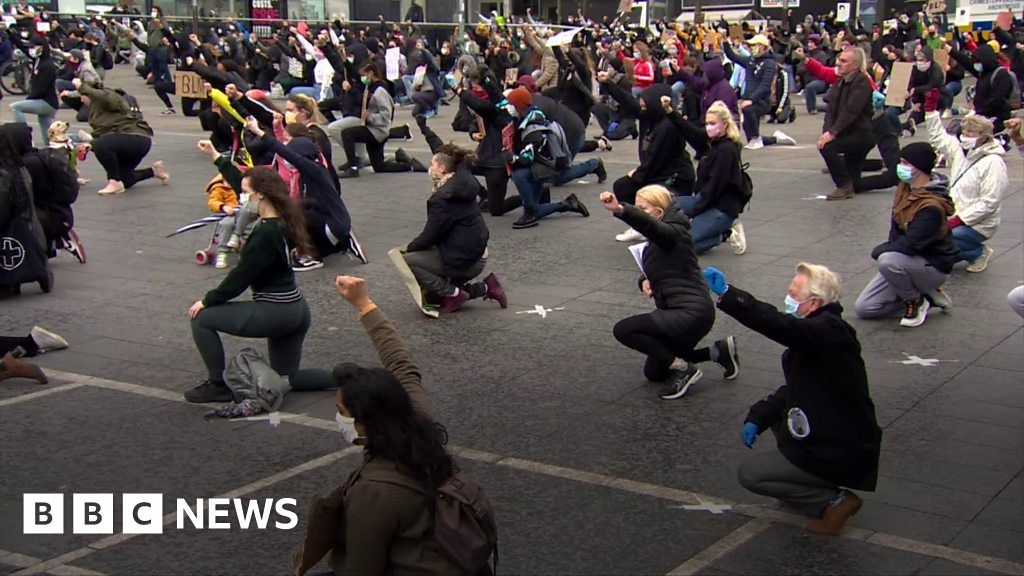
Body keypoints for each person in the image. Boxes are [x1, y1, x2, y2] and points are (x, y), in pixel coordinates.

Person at [294, 275, 485, 574]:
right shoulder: (419, 427)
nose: (338, 418)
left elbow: (361, 569)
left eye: (341, 411)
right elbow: (402, 365)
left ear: (366, 424)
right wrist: (363, 304)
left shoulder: (374, 493)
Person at [702, 263, 881, 536]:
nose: (788, 298)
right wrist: (759, 415)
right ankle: (804, 486)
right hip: (830, 432)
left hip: (839, 446)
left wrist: (728, 293)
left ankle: (833, 501)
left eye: (793, 294)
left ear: (814, 303)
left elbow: (777, 324)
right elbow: (798, 387)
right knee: (777, 419)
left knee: (751, 474)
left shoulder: (827, 332)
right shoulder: (824, 330)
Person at [185, 167, 335, 403]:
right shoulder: (285, 221)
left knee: (201, 319)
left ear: (261, 195)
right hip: (296, 309)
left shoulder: (265, 233)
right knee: (286, 377)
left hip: (274, 311)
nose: (243, 199)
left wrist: (206, 301)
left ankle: (217, 385)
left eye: (246, 193)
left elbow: (240, 278)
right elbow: (246, 181)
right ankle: (349, 379)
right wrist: (217, 158)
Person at [600, 186, 739, 400]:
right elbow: (665, 266)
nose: (639, 212)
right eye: (637, 207)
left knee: (625, 330)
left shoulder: (675, 233)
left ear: (659, 212)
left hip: (689, 312)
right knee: (655, 373)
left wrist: (621, 209)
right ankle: (717, 351)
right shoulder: (665, 237)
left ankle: (685, 369)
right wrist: (644, 281)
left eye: (643, 208)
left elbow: (655, 230)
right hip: (685, 310)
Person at [854, 142, 959, 327]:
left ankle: (914, 300)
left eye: (905, 162)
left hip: (932, 264)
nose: (900, 167)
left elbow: (911, 244)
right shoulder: (905, 188)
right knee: (865, 308)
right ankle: (925, 295)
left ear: (918, 167)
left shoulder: (931, 206)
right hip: (905, 261)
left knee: (887, 260)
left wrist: (881, 250)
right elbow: (896, 231)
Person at [403, 144, 507, 314]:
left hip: (464, 257)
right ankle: (486, 287)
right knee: (436, 296)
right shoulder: (460, 183)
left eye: (433, 165)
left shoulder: (443, 198)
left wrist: (409, 249)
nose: (430, 168)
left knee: (408, 261)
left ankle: (453, 294)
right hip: (476, 252)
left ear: (442, 169)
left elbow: (431, 235)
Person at [922, 103, 1007, 273]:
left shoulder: (993, 162)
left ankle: (978, 253)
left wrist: (960, 219)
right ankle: (955, 252)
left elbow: (989, 202)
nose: (966, 135)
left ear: (984, 136)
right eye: (965, 131)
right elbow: (938, 137)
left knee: (947, 235)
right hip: (956, 211)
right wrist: (931, 112)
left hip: (980, 222)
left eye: (972, 132)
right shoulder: (960, 150)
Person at [612, 85, 699, 241]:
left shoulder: (668, 127)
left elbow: (655, 160)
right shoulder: (651, 117)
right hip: (659, 171)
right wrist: (608, 83)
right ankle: (640, 224)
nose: (642, 109)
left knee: (633, 187)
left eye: (645, 106)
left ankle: (648, 225)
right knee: (623, 186)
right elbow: (630, 104)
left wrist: (638, 174)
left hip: (675, 178)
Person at [504, 87, 589, 229]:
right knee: (535, 209)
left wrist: (511, 158)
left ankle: (530, 213)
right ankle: (567, 204)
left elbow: (527, 158)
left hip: (545, 165)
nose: (508, 108)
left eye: (511, 104)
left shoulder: (533, 125)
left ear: (518, 105)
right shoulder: (529, 114)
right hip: (542, 163)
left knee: (518, 175)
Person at [675, 101, 749, 255]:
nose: (708, 127)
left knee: (684, 247)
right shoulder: (713, 143)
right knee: (665, 205)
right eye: (707, 123)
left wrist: (696, 210)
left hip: (721, 206)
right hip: (705, 198)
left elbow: (716, 187)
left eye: (712, 123)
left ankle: (724, 234)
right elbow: (690, 131)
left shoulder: (726, 151)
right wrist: (670, 112)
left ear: (724, 124)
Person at [74, 79, 169, 195]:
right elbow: (102, 137)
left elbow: (104, 97)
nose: (81, 99)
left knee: (102, 145)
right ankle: (154, 171)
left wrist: (82, 87)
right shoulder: (95, 111)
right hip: (123, 142)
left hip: (136, 138)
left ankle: (114, 183)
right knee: (125, 179)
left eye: (82, 95)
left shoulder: (110, 97)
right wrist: (88, 146)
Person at [338, 63, 424, 178]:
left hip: (377, 130)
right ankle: (409, 165)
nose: (363, 79)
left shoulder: (380, 91)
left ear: (371, 73)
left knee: (347, 133)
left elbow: (386, 114)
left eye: (364, 75)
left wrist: (369, 117)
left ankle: (353, 167)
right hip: (374, 128)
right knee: (379, 167)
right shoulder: (372, 87)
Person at [818, 48, 875, 201]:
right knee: (854, 181)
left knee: (828, 147)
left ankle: (843, 186)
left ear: (855, 65)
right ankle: (874, 168)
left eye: (844, 61)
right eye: (839, 60)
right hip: (850, 133)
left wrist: (833, 133)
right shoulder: (840, 82)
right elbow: (831, 111)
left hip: (862, 135)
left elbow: (851, 110)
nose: (838, 63)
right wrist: (827, 132)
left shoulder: (862, 82)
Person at [724, 35, 796, 149]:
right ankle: (776, 138)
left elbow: (765, 86)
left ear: (763, 47)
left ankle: (757, 139)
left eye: (755, 45)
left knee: (748, 111)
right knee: (751, 135)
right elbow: (733, 57)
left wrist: (751, 99)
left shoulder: (770, 63)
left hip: (762, 101)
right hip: (748, 99)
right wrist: (725, 42)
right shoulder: (751, 60)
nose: (752, 48)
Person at [9, 37, 58, 146]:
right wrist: (9, 32)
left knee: (15, 107)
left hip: (47, 102)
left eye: (34, 47)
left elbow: (42, 88)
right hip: (44, 102)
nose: (31, 49)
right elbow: (23, 47)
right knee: (49, 141)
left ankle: (23, 136)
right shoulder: (38, 60)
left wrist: (29, 99)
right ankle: (77, 139)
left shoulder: (47, 66)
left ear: (41, 48)